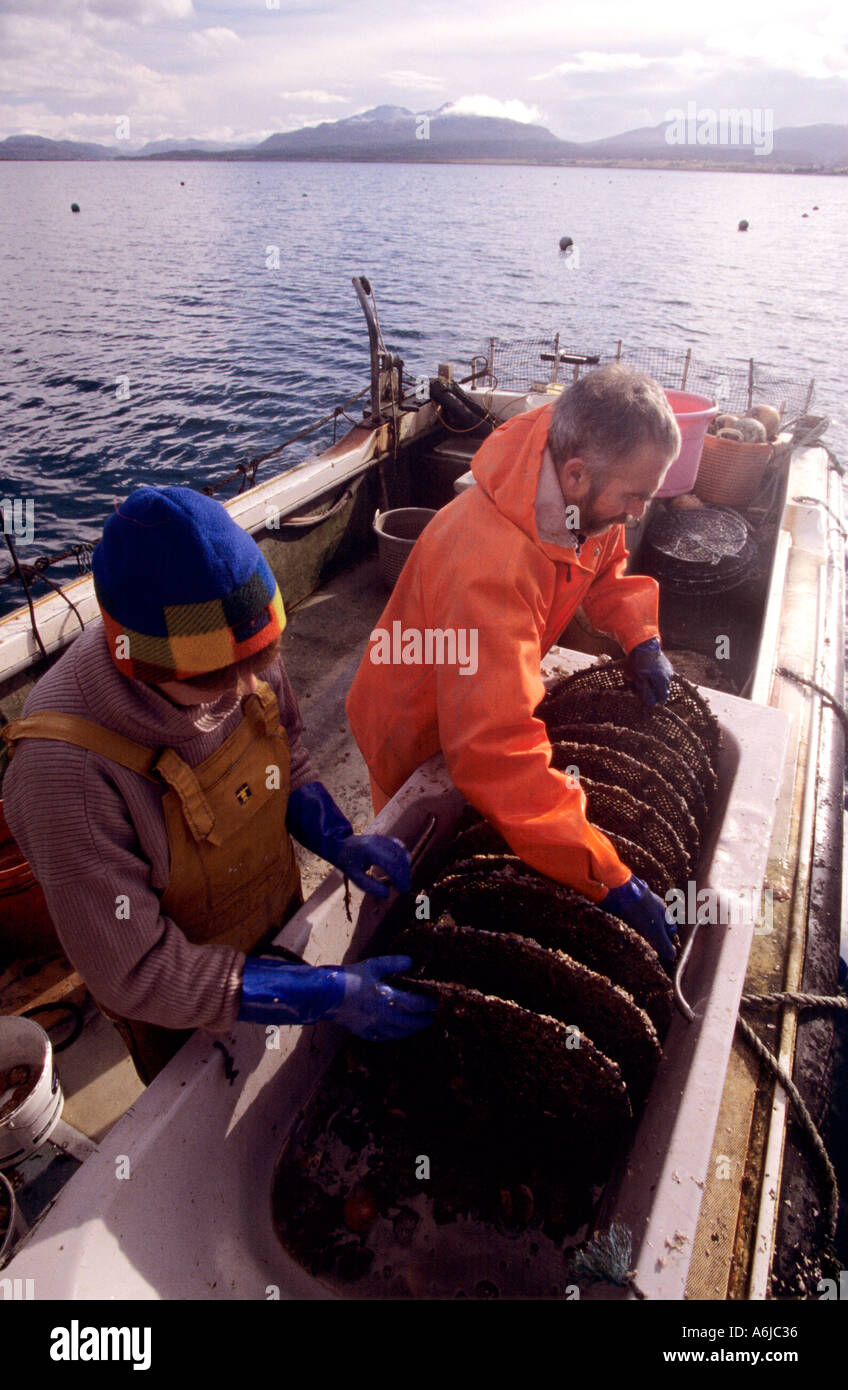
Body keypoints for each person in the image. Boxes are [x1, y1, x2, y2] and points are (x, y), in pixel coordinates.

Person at [1, 487, 435, 1084]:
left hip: (276, 927)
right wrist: (321, 994)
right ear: (140, 665)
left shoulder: (238, 654)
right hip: (179, 1007)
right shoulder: (63, 775)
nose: (245, 692)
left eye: (261, 663)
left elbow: (289, 758)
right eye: (215, 684)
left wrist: (338, 839)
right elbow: (135, 971)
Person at [346, 364, 682, 965]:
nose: (635, 512)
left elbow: (602, 566)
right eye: (634, 496)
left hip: (478, 690)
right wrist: (607, 875)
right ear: (576, 475)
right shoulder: (492, 567)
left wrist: (640, 636)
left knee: (497, 803)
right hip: (412, 722)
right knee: (415, 863)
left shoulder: (577, 488)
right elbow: (492, 749)